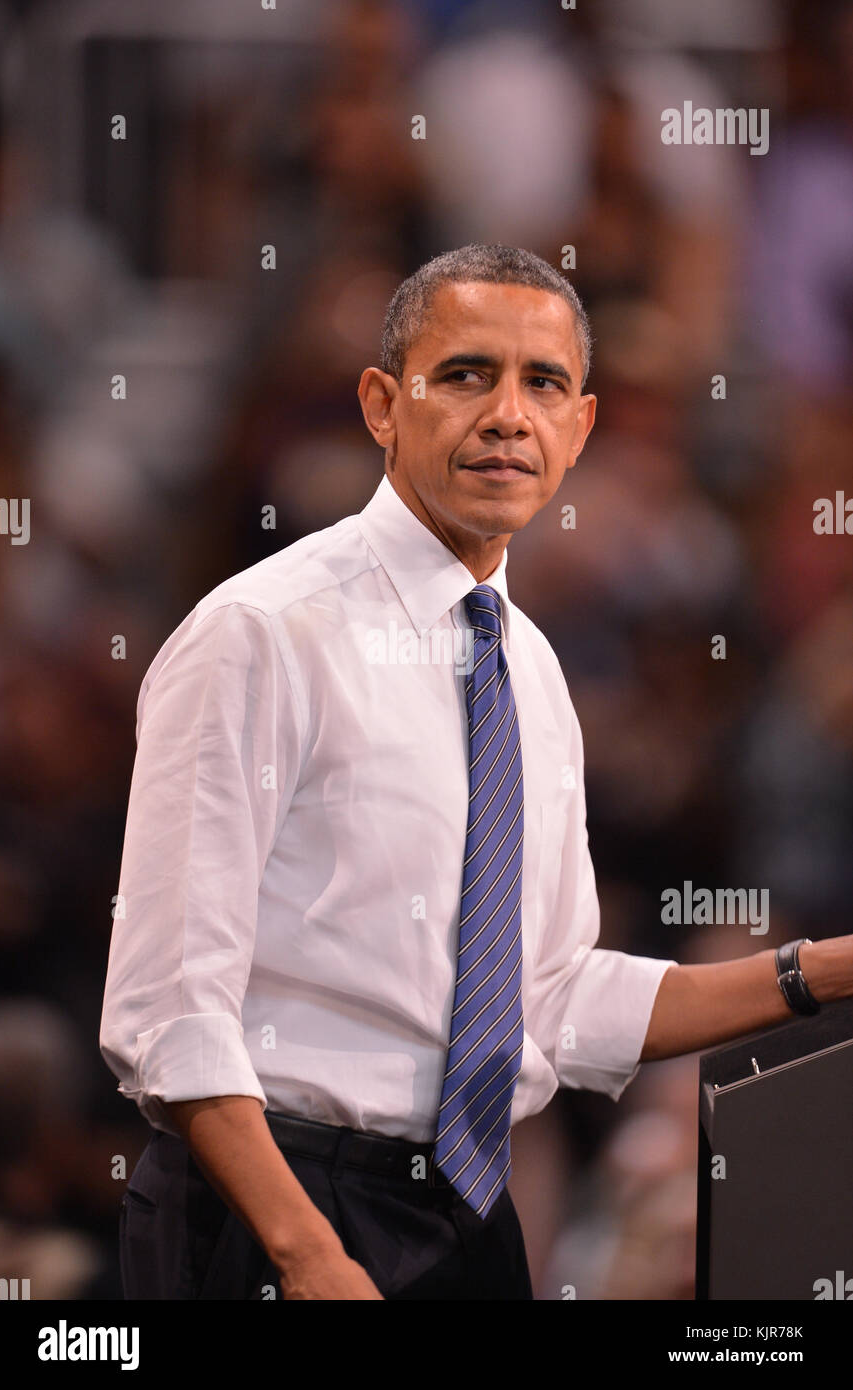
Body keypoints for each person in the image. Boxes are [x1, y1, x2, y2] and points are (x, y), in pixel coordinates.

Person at [99, 244, 853, 1301]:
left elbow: (555, 998)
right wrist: (307, 1251)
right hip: (269, 1217)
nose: (508, 414)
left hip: (468, 1221)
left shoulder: (530, 668)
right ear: (380, 404)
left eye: (542, 383)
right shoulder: (261, 633)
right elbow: (168, 1008)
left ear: (579, 429)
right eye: (464, 375)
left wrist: (822, 973)